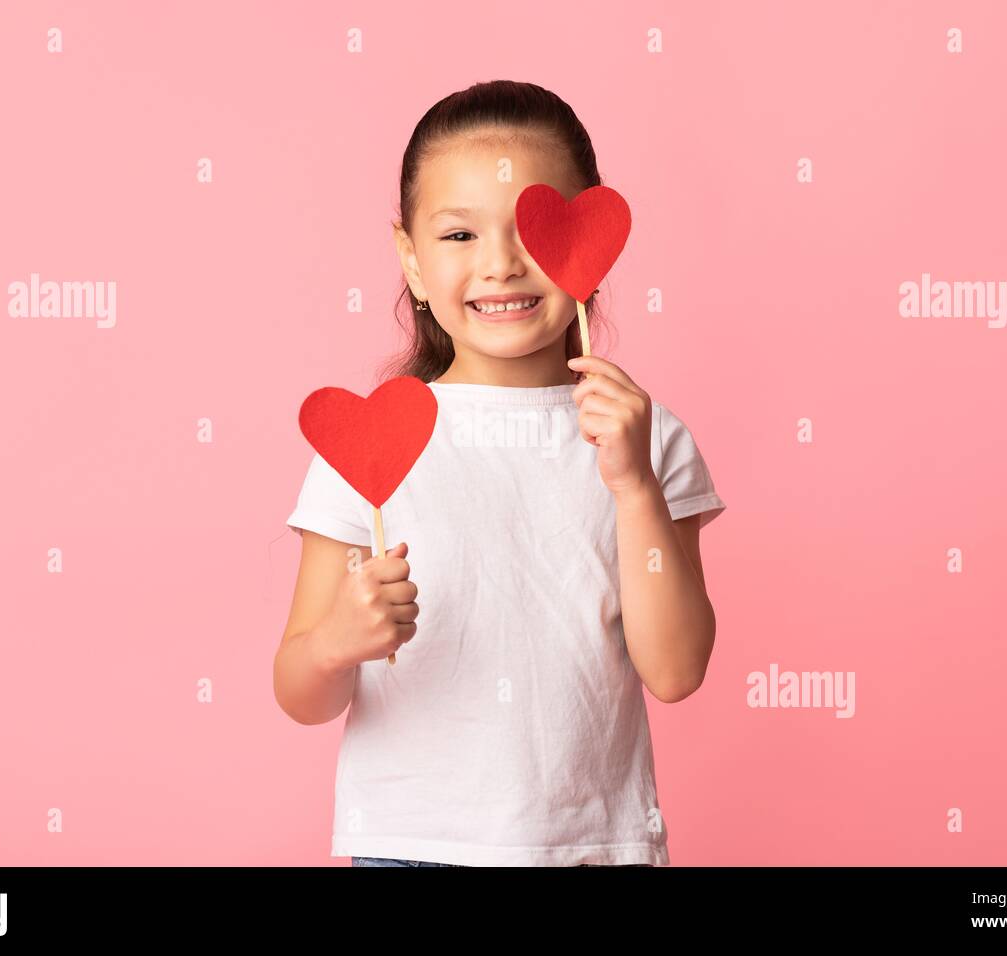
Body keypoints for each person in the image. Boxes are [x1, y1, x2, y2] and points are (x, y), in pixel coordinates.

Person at [273, 80, 725, 867]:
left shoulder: (646, 437)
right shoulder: (367, 447)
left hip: (596, 848)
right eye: (459, 237)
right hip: (412, 847)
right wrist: (337, 643)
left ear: (589, 247)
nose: (503, 265)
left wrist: (635, 488)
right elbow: (300, 693)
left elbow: (677, 670)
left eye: (534, 230)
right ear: (410, 260)